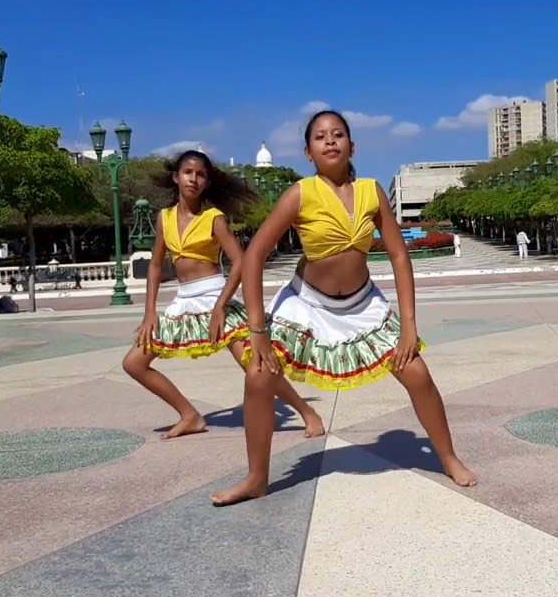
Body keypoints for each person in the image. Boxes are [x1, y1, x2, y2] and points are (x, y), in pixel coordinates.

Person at [211, 110, 476, 506]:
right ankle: (256, 478)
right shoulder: (299, 194)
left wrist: (408, 325)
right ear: (308, 151)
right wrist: (257, 329)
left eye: (338, 134)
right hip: (306, 302)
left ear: (351, 145)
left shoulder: (372, 191)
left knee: (416, 372)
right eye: (320, 137)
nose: (330, 141)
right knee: (259, 375)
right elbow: (253, 257)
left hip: (363, 303)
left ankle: (449, 457)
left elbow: (400, 258)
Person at [122, 150, 326, 440]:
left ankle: (307, 412)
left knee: (255, 363)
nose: (193, 179)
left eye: (200, 174)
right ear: (176, 177)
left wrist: (220, 305)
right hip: (184, 301)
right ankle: (189, 415)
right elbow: (155, 266)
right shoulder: (164, 218)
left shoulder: (214, 218)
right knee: (134, 363)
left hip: (217, 295)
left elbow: (241, 261)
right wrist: (149, 313)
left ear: (207, 182)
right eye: (188, 172)